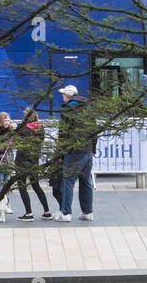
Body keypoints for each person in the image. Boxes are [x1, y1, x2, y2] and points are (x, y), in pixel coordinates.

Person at [56, 84, 96, 222]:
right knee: (86, 182)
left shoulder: (67, 110)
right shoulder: (88, 107)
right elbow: (94, 130)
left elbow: (63, 133)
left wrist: (60, 153)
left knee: (68, 181)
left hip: (73, 151)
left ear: (68, 96)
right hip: (87, 150)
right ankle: (87, 212)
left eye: (63, 95)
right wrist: (92, 149)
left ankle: (66, 213)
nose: (62, 97)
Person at [12, 106, 51, 221]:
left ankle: (29, 213)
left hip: (22, 160)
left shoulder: (23, 128)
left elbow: (17, 142)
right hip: (34, 160)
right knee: (36, 185)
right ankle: (47, 211)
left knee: (22, 186)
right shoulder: (40, 128)